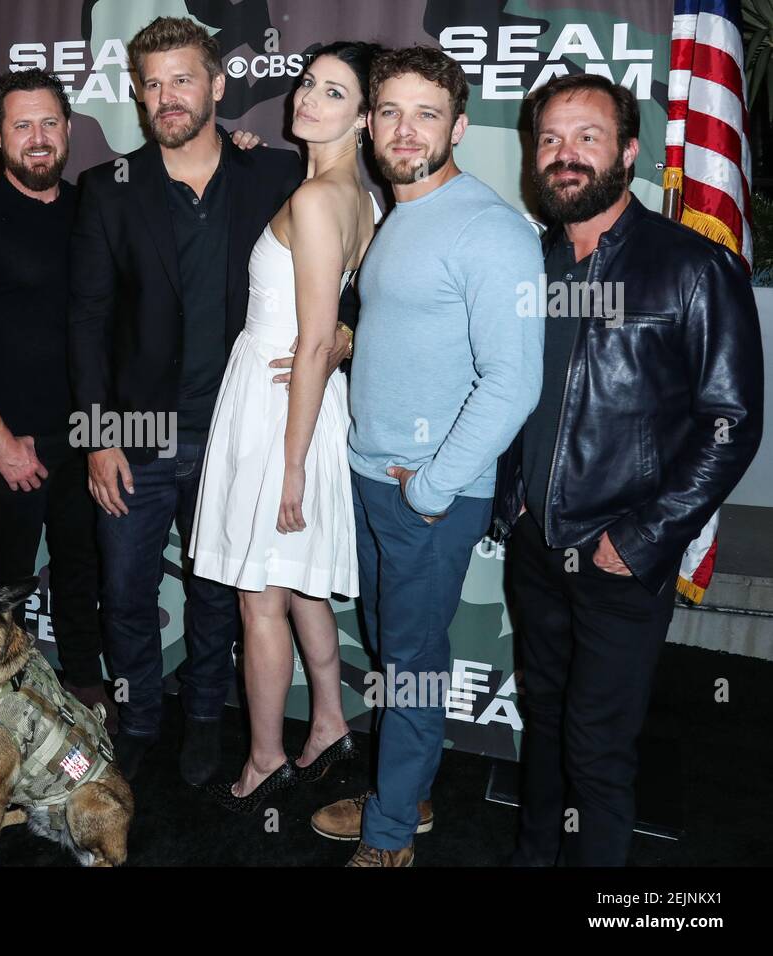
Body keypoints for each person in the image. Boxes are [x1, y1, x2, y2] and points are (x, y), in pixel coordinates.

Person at [68, 17, 351, 784]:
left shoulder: (275, 175)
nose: (167, 96)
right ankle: (138, 721)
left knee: (219, 592)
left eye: (182, 79)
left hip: (240, 425)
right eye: (152, 83)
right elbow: (86, 320)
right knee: (124, 590)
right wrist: (97, 434)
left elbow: (343, 277)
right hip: (135, 427)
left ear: (217, 86)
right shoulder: (107, 188)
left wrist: (345, 338)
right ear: (137, 93)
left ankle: (202, 720)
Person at [494, 74, 763, 866]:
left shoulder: (693, 267)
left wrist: (644, 537)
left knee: (597, 749)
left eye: (586, 137)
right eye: (549, 139)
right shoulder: (530, 263)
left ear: (629, 152)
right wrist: (511, 501)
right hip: (535, 544)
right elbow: (513, 392)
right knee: (541, 720)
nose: (564, 155)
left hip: (620, 555)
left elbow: (731, 421)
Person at [308, 46, 544, 866]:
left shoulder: (489, 228)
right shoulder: (398, 215)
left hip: (427, 496)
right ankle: (407, 793)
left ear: (461, 127)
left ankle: (390, 837)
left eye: (427, 114)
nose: (406, 131)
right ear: (370, 124)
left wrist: (434, 487)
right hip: (377, 482)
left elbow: (512, 382)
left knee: (409, 662)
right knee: (393, 647)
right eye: (391, 112)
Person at [191, 42, 381, 812]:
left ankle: (266, 757)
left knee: (258, 597)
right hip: (295, 400)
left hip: (283, 414)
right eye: (308, 83)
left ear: (365, 118)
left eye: (334, 93)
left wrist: (293, 462)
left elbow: (311, 339)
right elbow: (335, 327)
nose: (308, 98)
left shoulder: (313, 199)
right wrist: (340, 344)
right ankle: (330, 722)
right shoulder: (356, 195)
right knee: (301, 587)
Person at [0, 69, 111, 723]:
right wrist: (0, 444)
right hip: (8, 442)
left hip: (80, 439)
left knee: (81, 565)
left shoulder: (93, 206)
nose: (38, 138)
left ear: (68, 130)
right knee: (3, 583)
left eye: (50, 123)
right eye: (23, 125)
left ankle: (86, 689)